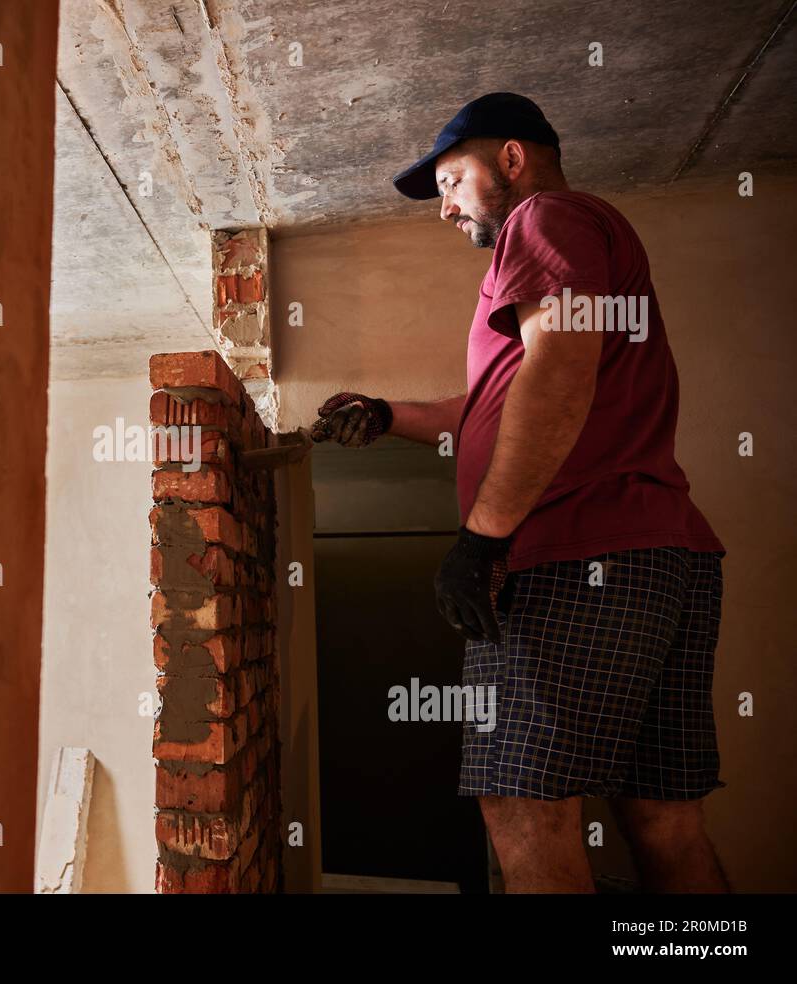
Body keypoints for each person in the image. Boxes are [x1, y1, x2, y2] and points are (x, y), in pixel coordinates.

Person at [312, 92, 729, 893]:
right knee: (662, 817)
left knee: (523, 803)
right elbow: (494, 409)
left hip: (576, 556)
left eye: (452, 181)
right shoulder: (578, 242)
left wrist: (483, 539)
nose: (445, 209)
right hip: (660, 558)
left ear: (511, 158)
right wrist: (388, 413)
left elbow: (559, 367)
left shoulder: (545, 219)